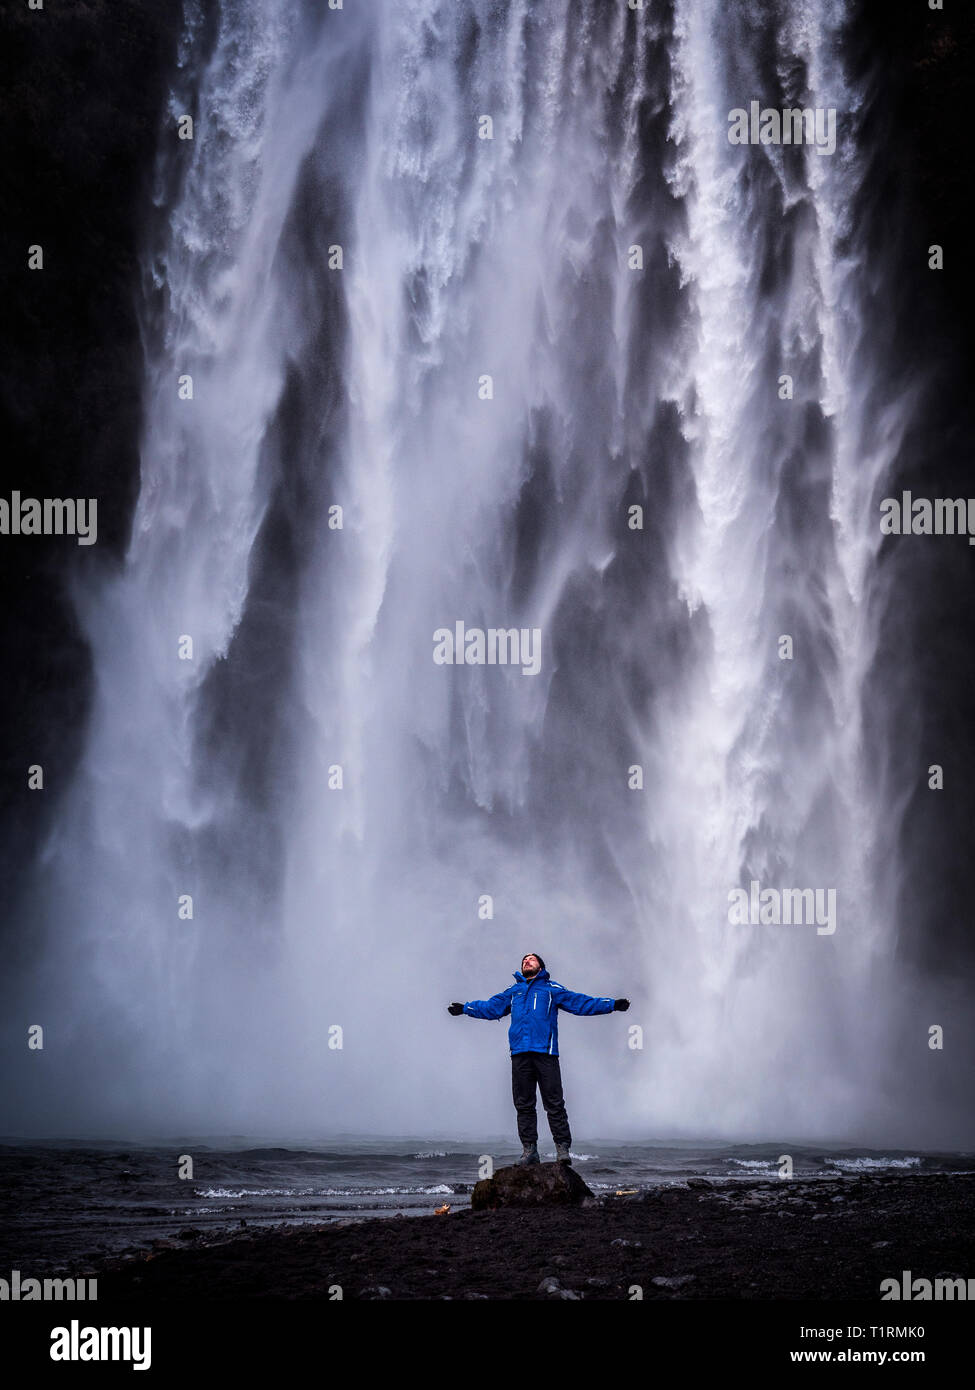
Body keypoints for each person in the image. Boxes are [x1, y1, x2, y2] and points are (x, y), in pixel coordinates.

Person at [447, 953, 630, 1166]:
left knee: (554, 1103)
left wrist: (612, 1005)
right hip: (519, 1054)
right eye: (524, 960)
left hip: (546, 1053)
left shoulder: (552, 989)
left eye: (532, 959)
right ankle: (529, 1151)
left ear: (541, 967)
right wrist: (464, 1009)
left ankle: (562, 1149)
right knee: (523, 1104)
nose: (526, 961)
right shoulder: (513, 991)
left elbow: (581, 1003)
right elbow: (491, 1008)